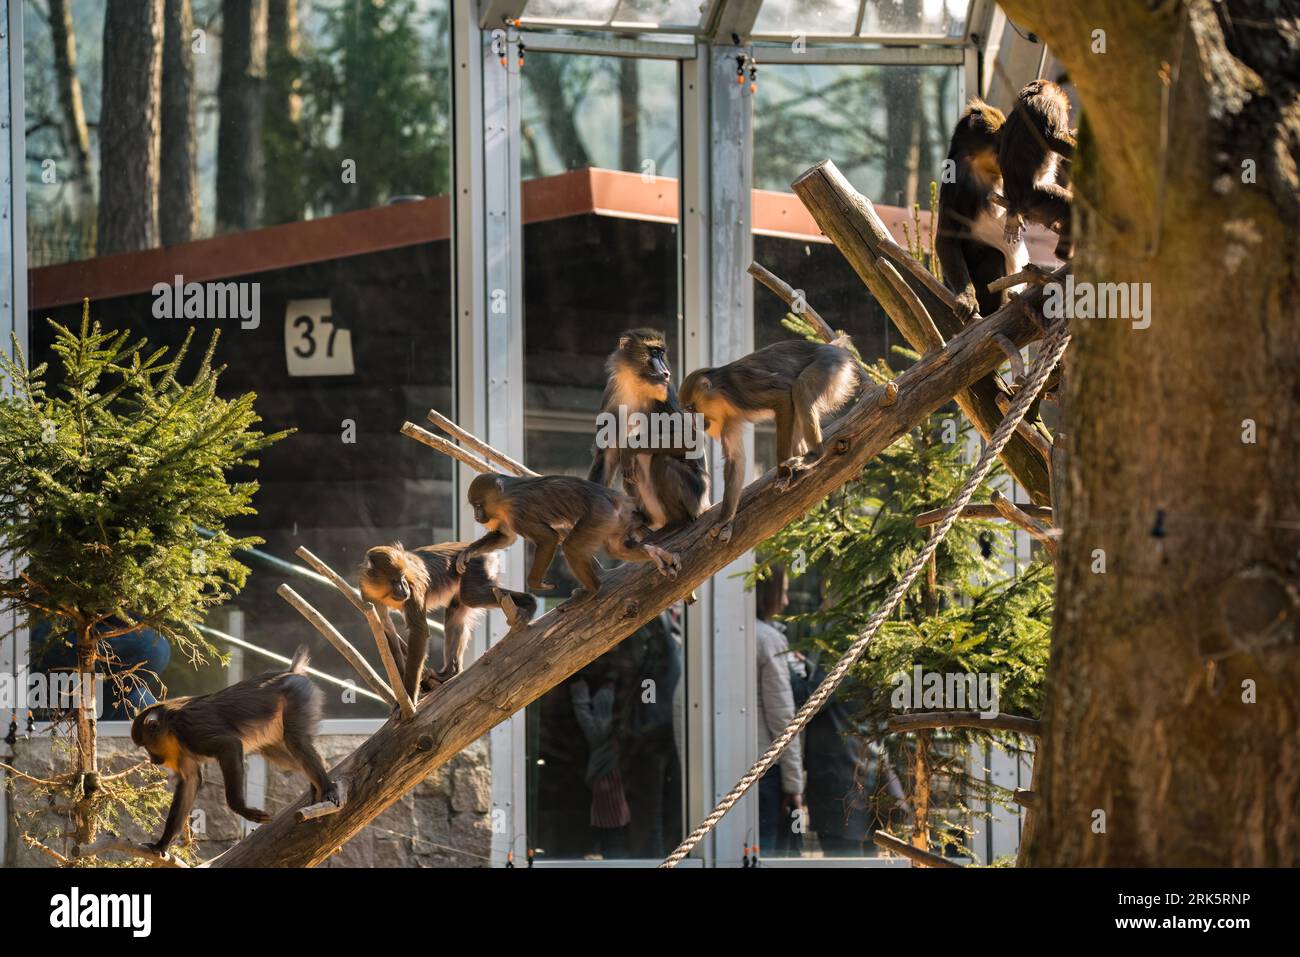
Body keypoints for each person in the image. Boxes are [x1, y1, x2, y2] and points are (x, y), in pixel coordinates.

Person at [754, 567, 804, 856]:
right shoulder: (768, 639)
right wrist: (794, 784)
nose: (785, 602)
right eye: (782, 591)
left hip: (737, 768)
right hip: (764, 771)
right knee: (765, 851)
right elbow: (783, 718)